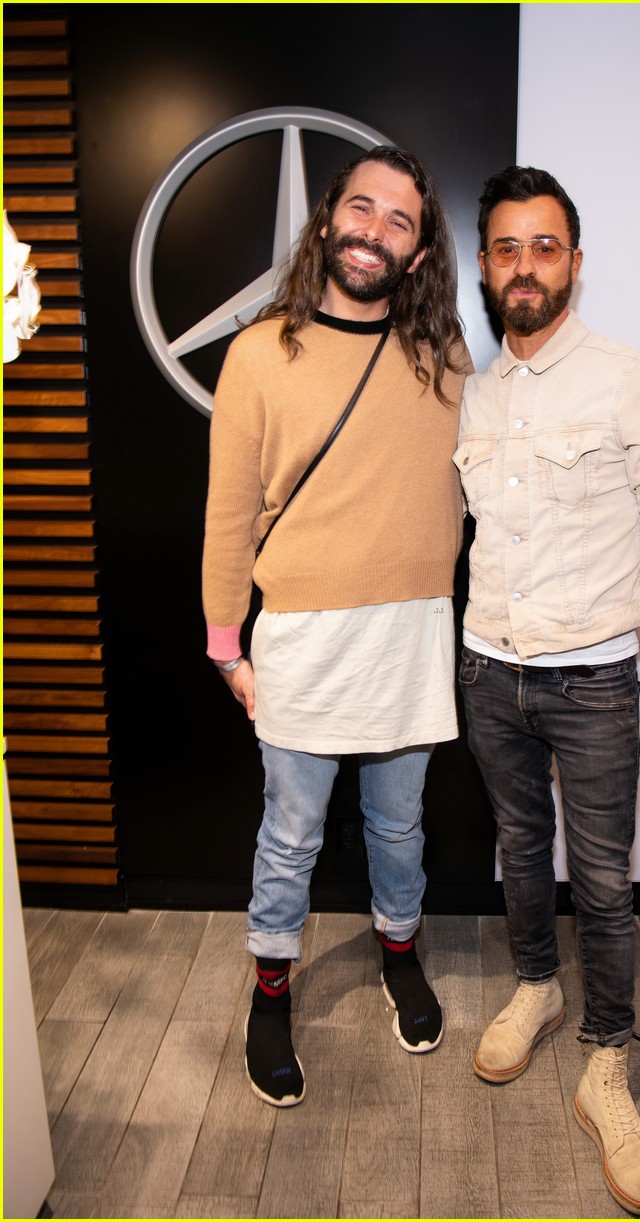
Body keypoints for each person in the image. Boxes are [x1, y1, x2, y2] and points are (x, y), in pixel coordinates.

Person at [455, 166, 640, 1217]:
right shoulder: (471, 388)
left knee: (601, 880)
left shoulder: (630, 379)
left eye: (544, 246)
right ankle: (534, 986)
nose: (525, 266)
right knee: (520, 847)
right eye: (506, 247)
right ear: (484, 265)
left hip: (595, 677)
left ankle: (607, 1059)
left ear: (573, 261)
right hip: (485, 668)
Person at [202, 146, 470, 1108]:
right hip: (305, 639)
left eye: (401, 220)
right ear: (326, 222)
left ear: (419, 250)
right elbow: (229, 513)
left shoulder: (442, 355)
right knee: (292, 835)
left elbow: (476, 491)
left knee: (399, 827)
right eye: (363, 210)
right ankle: (270, 993)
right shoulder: (258, 352)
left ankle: (401, 956)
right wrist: (225, 646)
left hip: (412, 635)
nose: (376, 231)